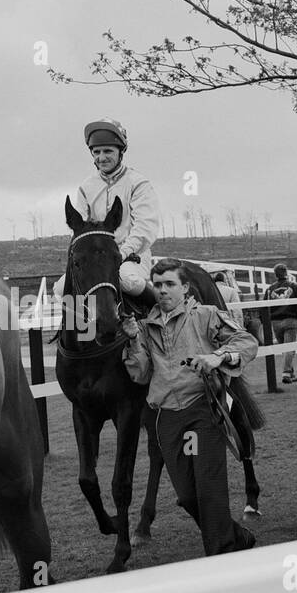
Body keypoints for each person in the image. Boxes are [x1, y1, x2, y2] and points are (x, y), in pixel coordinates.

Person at [122, 259, 258, 557]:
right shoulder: (145, 329)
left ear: (184, 287)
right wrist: (132, 339)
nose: (162, 290)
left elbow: (247, 342)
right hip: (167, 418)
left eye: (169, 284)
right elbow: (140, 374)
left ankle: (219, 556)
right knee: (186, 496)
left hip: (202, 412)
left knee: (209, 491)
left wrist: (218, 357)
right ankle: (238, 538)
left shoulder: (206, 315)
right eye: (157, 285)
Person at [70, 119, 162, 307]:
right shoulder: (85, 187)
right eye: (96, 152)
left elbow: (145, 229)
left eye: (108, 151)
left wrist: (121, 253)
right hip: (96, 259)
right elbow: (80, 231)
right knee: (62, 286)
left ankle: (162, 317)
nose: (101, 157)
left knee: (127, 280)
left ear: (121, 152)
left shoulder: (138, 184)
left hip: (132, 257)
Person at [263, 265, 297, 383]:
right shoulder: (295, 286)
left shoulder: (269, 289)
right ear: (286, 273)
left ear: (275, 274)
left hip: (275, 322)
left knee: (285, 349)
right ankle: (286, 373)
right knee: (290, 348)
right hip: (290, 320)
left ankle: (291, 374)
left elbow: (264, 307)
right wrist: (296, 314)